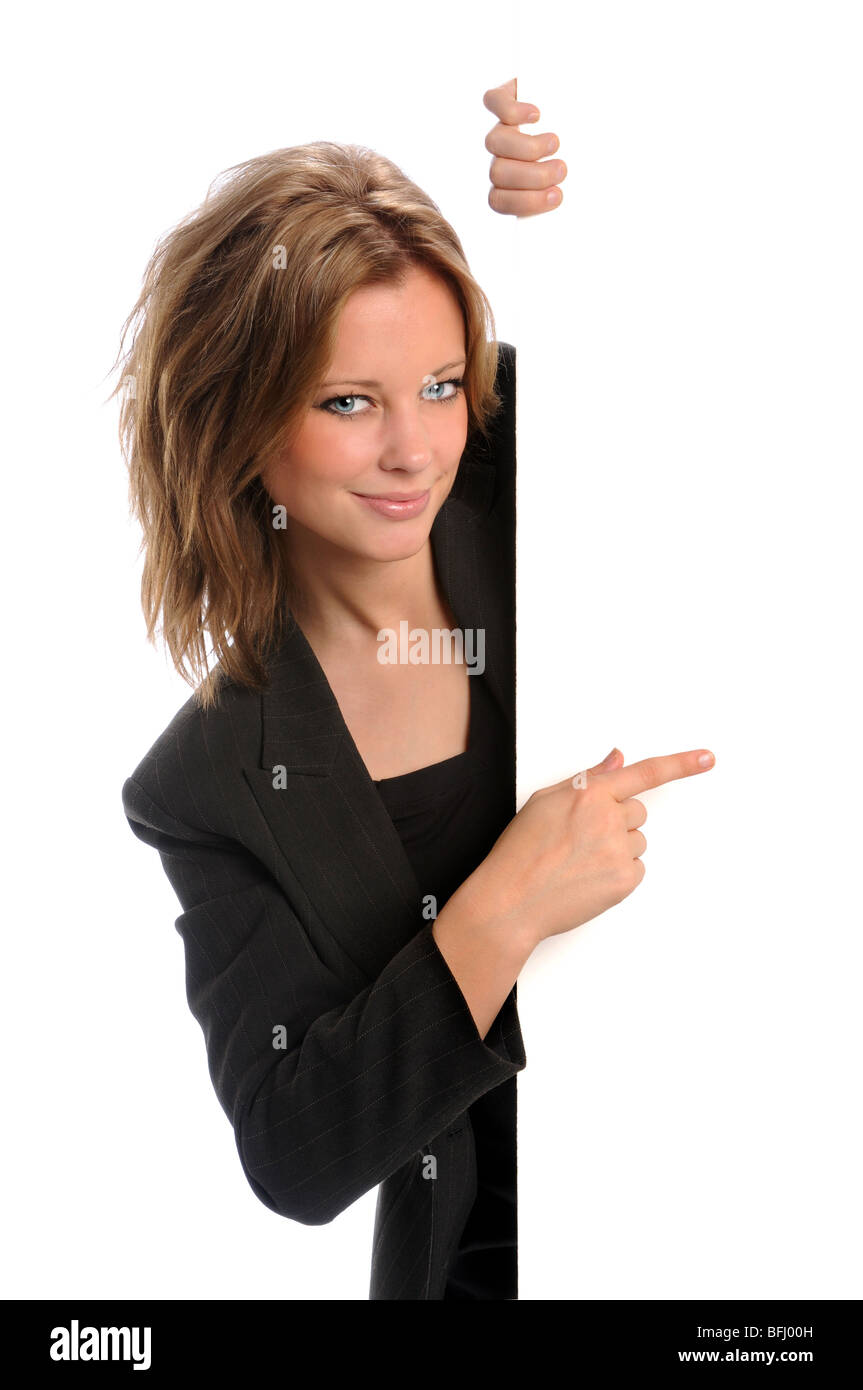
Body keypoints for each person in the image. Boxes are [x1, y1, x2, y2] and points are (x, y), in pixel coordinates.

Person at [117, 77, 714, 1300]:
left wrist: (581, 209)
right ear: (235, 423)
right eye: (348, 402)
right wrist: (499, 910)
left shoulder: (529, 475)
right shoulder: (209, 781)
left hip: (725, 1185)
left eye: (441, 386)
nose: (414, 450)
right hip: (495, 1265)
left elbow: (714, 361)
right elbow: (294, 1150)